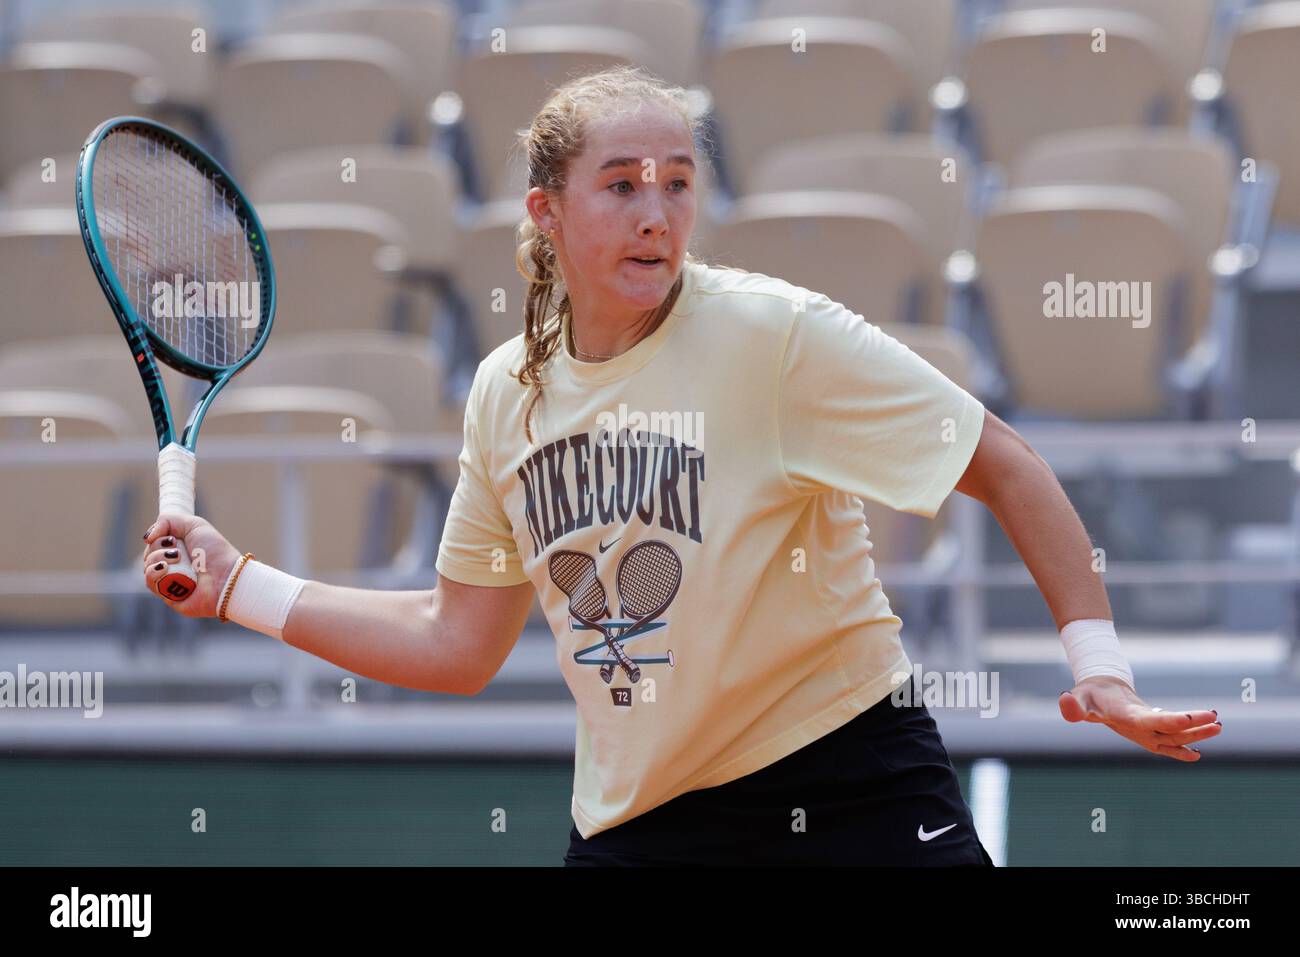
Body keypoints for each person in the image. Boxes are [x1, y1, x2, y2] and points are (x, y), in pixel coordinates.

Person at [142, 65, 1222, 866]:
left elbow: (1008, 465)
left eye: (675, 183)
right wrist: (241, 587)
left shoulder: (774, 334)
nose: (655, 212)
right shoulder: (505, 395)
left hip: (850, 785)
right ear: (546, 214)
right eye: (619, 185)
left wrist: (1102, 670)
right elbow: (455, 642)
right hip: (644, 825)